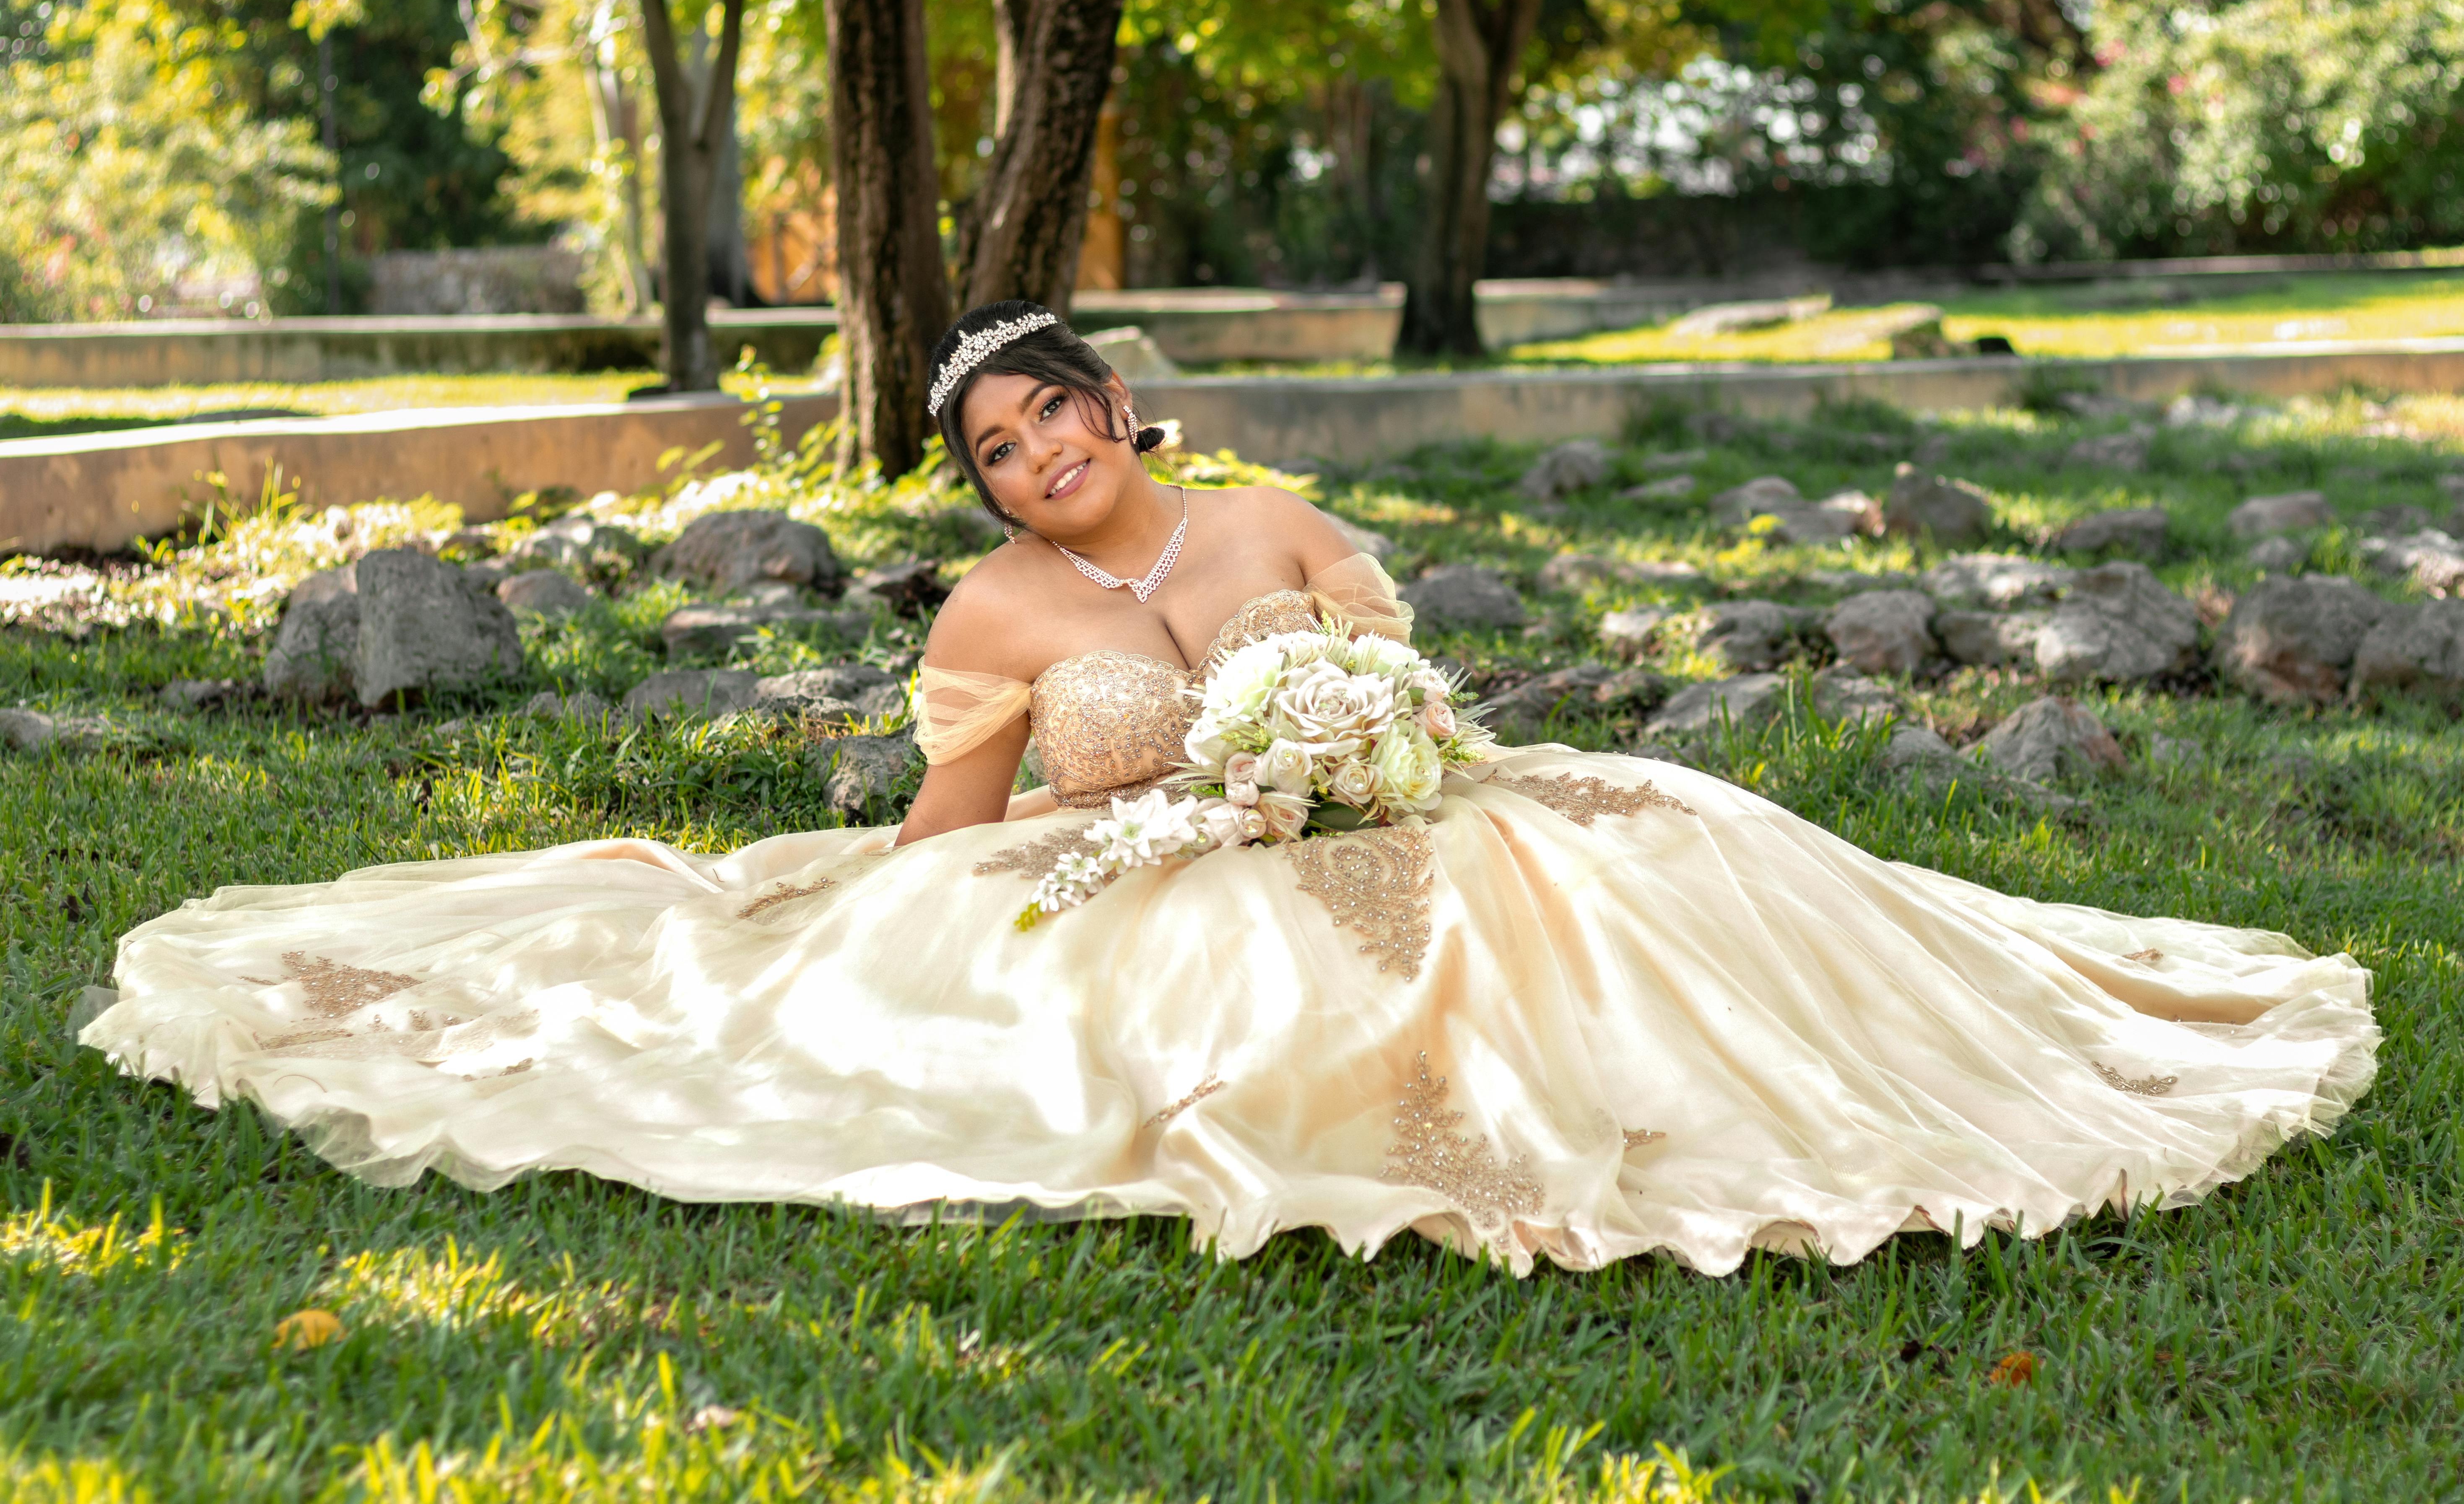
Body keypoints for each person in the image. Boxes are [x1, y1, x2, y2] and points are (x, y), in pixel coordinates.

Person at [81, 302, 2377, 1277]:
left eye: (1055, 417)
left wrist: (1354, 740)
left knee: (1662, 864)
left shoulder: (1272, 519)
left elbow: (1410, 682)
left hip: (1394, 815)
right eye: (998, 452)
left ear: (1116, 407)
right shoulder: (992, 615)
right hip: (1148, 875)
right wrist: (863, 901)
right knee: (1145, 989)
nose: (1038, 461)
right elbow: (945, 826)